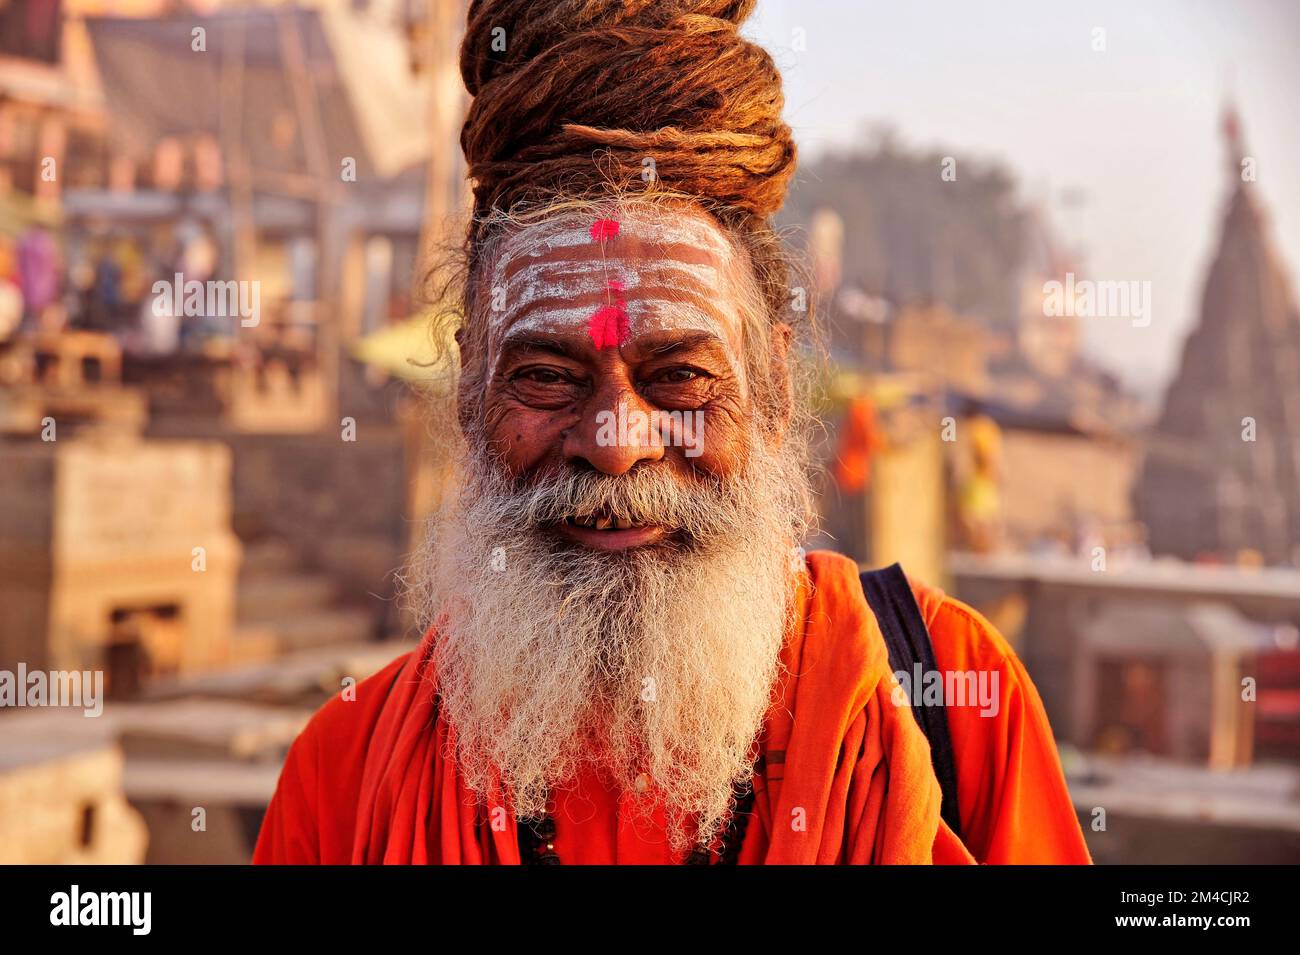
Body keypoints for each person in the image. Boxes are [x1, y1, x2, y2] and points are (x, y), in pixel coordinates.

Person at [255, 0, 1090, 865]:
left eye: (680, 376)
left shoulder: (949, 696)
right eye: (546, 376)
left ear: (770, 386)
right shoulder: (348, 775)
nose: (614, 443)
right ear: (470, 389)